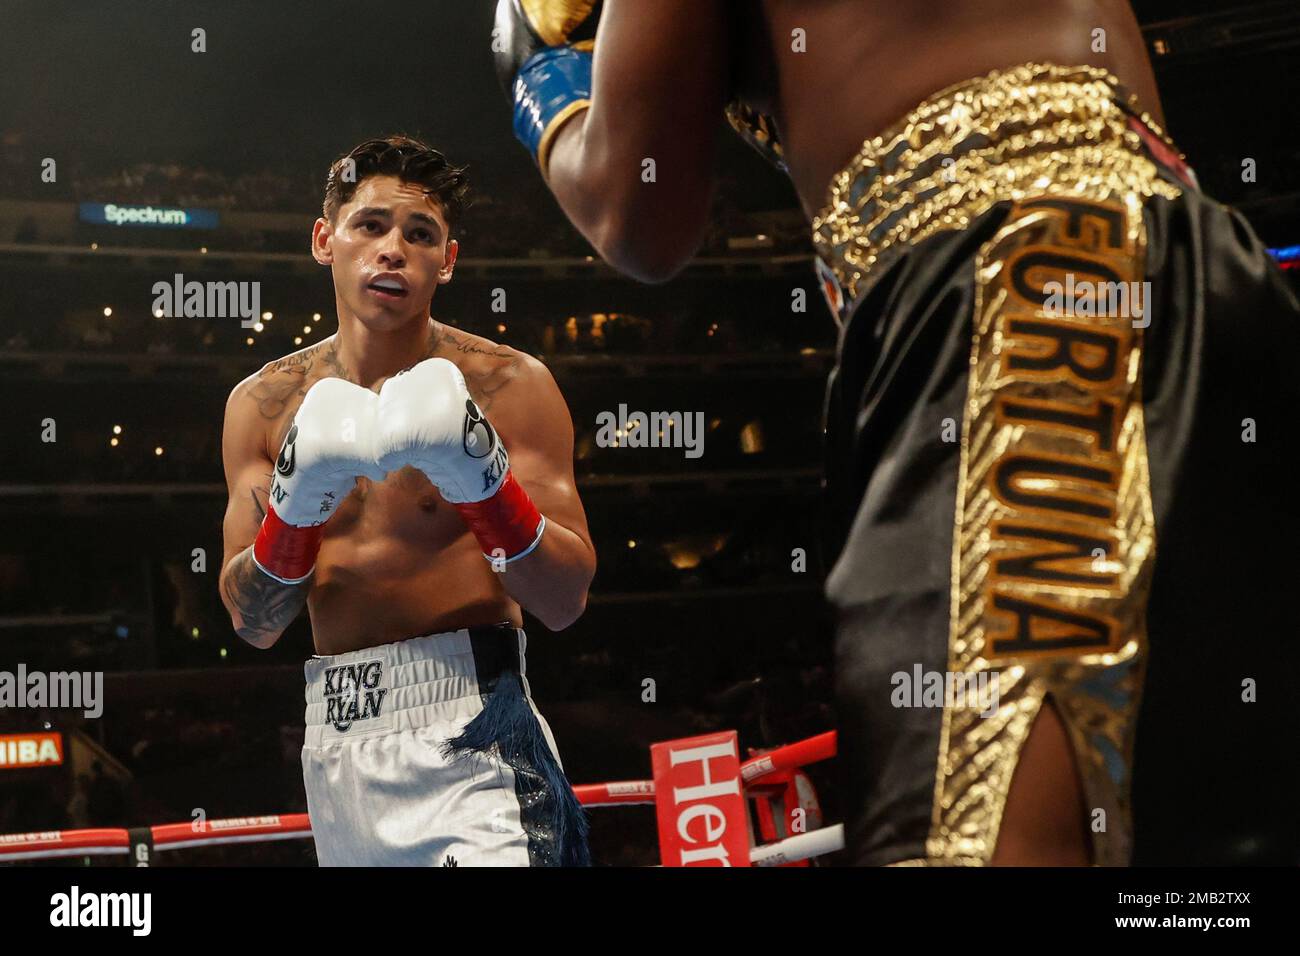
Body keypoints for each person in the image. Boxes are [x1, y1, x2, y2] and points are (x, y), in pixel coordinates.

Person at [494, 1, 1299, 865]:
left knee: (965, 840)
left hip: (1022, 283)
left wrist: (550, 89)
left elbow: (638, 208)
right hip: (1194, 272)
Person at [218, 136, 595, 866]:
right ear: (326, 241)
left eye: (419, 234)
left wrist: (482, 485)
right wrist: (293, 517)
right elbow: (253, 622)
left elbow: (565, 599)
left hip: (476, 726)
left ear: (446, 260)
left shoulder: (512, 385)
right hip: (336, 749)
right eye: (371, 226)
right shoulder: (260, 406)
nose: (393, 249)